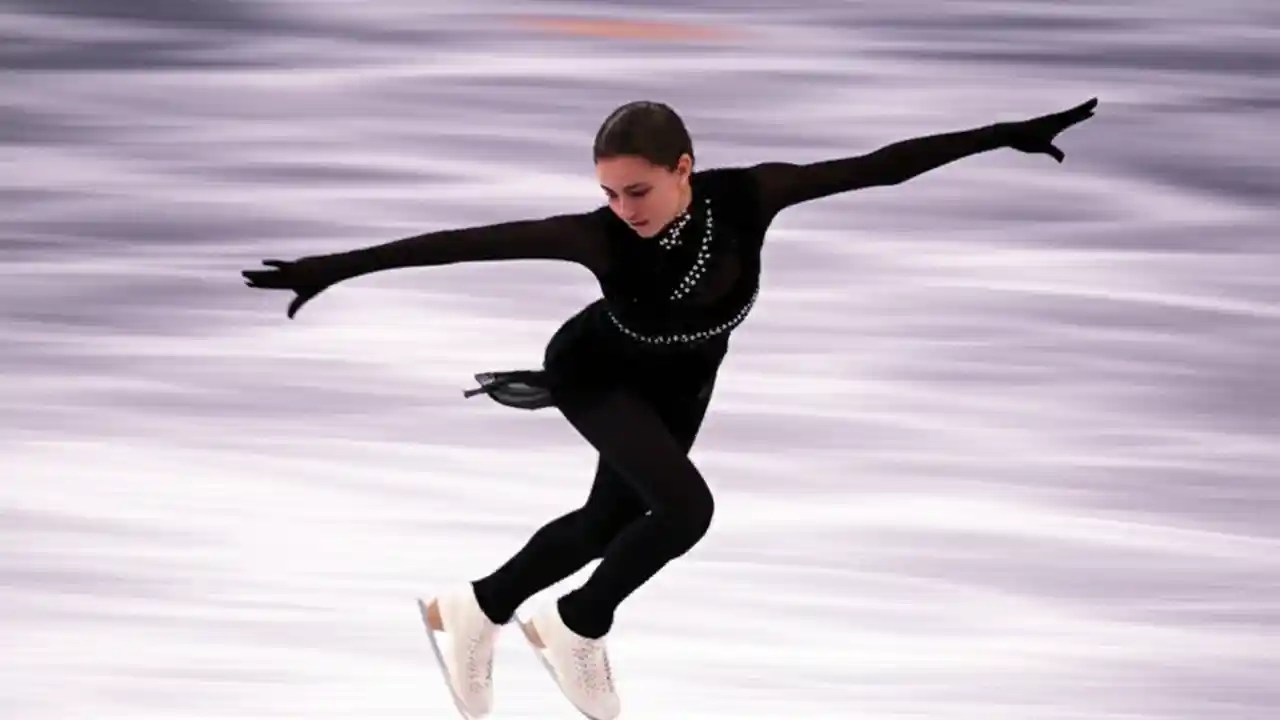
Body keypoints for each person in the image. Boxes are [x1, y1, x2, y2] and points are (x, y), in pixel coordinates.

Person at [243, 97, 1097, 719]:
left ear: (684, 169)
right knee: (686, 510)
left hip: (682, 380)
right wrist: (332, 267)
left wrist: (1001, 135)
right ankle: (578, 624)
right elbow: (461, 245)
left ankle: (478, 607)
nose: (624, 209)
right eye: (611, 193)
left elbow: (876, 165)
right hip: (597, 372)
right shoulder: (598, 237)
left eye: (638, 191)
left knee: (607, 523)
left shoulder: (751, 197)